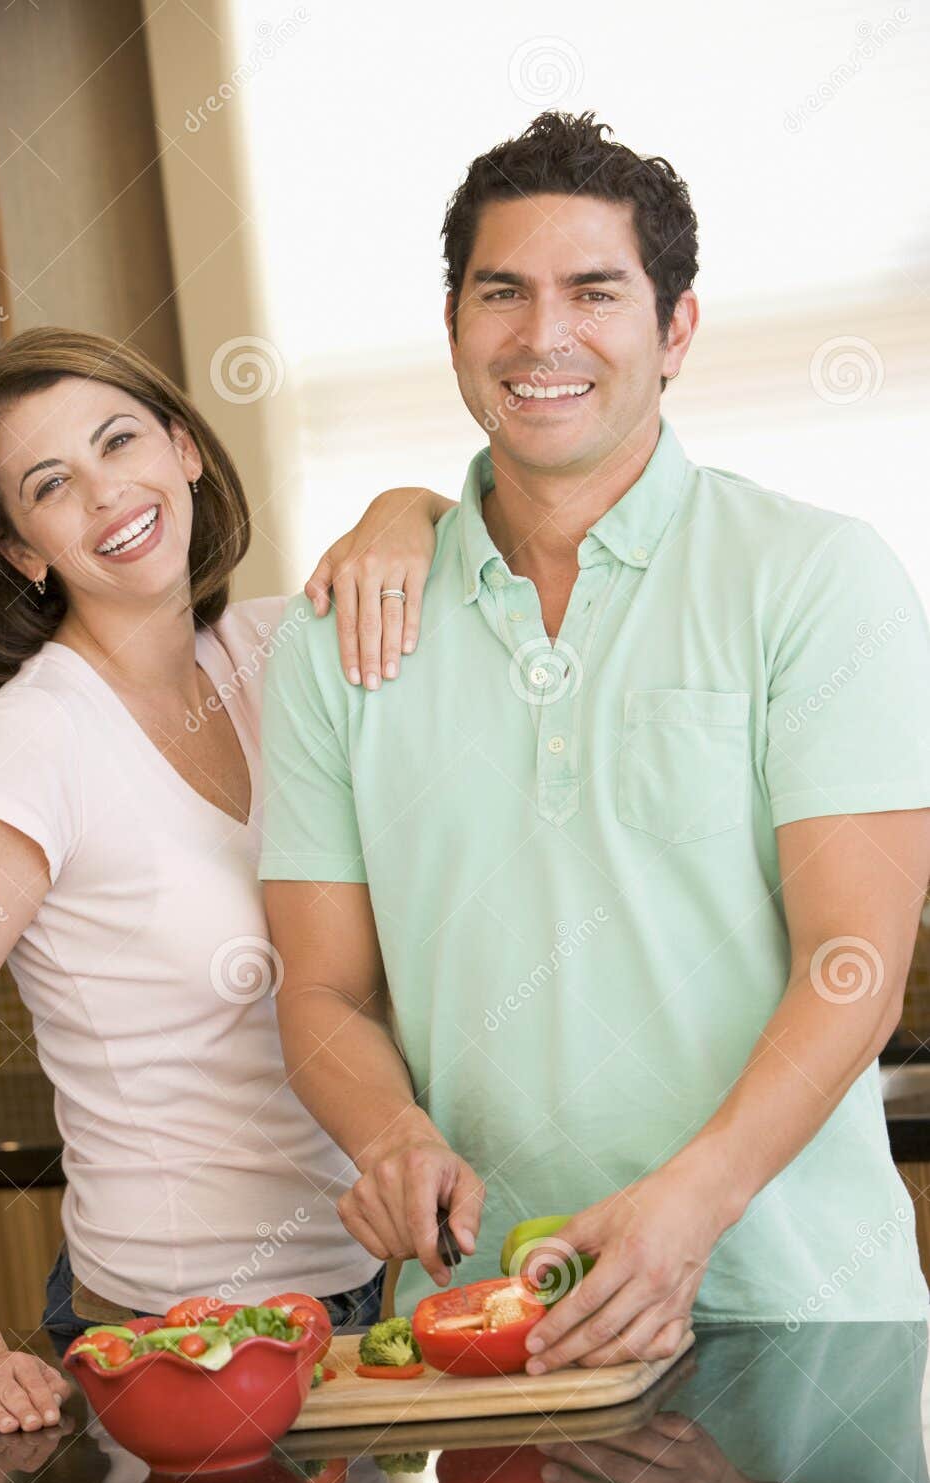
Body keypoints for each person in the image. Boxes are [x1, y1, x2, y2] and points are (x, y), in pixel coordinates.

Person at [259, 111, 930, 1370]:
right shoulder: (337, 637)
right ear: (453, 326)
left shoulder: (813, 578)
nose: (541, 335)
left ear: (673, 329)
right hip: (492, 1331)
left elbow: (854, 960)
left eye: (593, 291)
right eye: (499, 291)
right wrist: (388, 1132)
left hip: (797, 1313)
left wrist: (693, 1205)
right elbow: (322, 989)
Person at [0, 326, 450, 1434]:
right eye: (51, 485)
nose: (106, 495)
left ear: (183, 449)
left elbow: (479, 572)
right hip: (173, 1330)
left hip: (374, 1295)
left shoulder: (289, 655)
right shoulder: (26, 746)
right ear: (22, 549)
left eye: (119, 440)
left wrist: (403, 505)